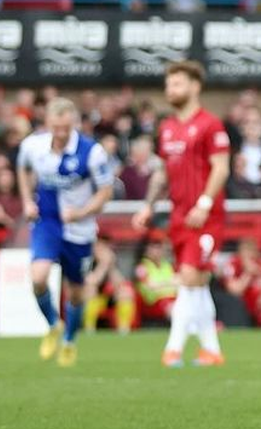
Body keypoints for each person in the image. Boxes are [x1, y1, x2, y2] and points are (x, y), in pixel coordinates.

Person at [131, 60, 232, 368]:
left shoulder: (210, 125)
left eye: (176, 83)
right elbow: (163, 172)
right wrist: (149, 204)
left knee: (188, 278)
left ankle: (173, 348)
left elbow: (221, 167)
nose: (170, 89)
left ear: (194, 87)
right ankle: (211, 350)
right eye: (168, 84)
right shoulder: (168, 128)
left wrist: (204, 203)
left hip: (205, 217)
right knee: (197, 283)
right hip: (178, 216)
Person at [17, 97, 116, 367]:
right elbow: (24, 170)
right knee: (38, 277)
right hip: (47, 221)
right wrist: (27, 200)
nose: (60, 132)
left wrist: (82, 212)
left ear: (74, 123)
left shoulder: (91, 152)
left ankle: (70, 341)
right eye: (56, 127)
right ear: (47, 123)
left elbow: (106, 191)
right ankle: (52, 324)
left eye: (65, 127)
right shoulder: (32, 146)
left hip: (79, 227)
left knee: (75, 291)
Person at [222, 238, 261, 333]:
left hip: (259, 300)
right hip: (241, 302)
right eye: (246, 251)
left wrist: (260, 274)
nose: (250, 255)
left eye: (252, 251)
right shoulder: (233, 264)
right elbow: (235, 290)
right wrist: (247, 274)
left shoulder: (259, 263)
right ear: (240, 252)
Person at [83, 233, 136, 334]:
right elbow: (92, 281)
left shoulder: (112, 260)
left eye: (106, 246)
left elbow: (120, 283)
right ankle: (89, 329)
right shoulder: (88, 260)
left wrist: (111, 267)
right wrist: (103, 264)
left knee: (126, 292)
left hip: (107, 298)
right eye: (101, 245)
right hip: (90, 298)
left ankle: (124, 329)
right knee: (90, 289)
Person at [135, 235, 178, 322]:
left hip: (173, 298)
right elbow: (149, 286)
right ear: (146, 250)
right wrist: (170, 282)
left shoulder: (168, 266)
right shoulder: (142, 267)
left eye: (159, 247)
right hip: (154, 303)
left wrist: (160, 284)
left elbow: (180, 281)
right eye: (153, 247)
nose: (157, 251)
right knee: (171, 307)